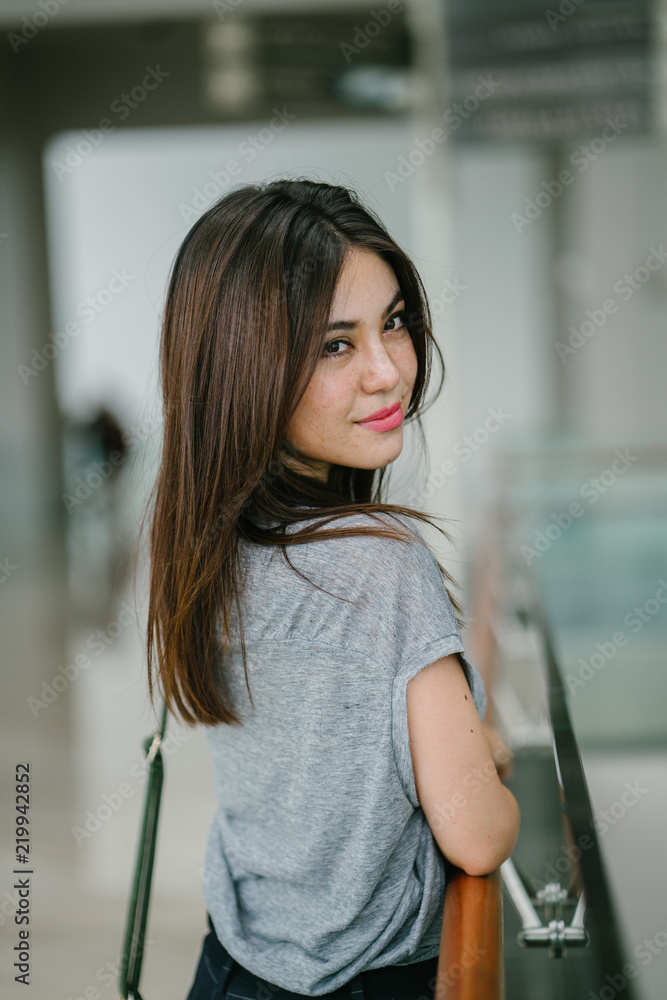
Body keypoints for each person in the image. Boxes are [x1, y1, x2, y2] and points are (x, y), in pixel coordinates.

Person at [143, 177, 520, 1000]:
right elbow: (477, 836)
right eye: (333, 346)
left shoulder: (202, 544)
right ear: (244, 366)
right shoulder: (381, 564)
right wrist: (488, 755)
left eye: (393, 324)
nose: (388, 371)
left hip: (233, 969)